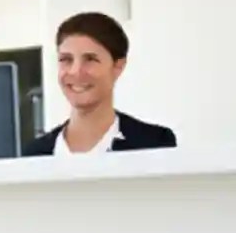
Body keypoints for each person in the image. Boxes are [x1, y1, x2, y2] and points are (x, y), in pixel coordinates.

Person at [23, 12, 176, 156]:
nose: (76, 71)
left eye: (90, 59)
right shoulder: (36, 154)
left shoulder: (154, 144)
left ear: (118, 66)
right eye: (66, 59)